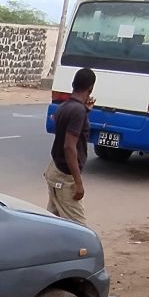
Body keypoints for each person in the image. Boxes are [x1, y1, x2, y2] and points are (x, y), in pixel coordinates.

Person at [44, 68, 96, 226]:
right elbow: (69, 147)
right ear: (91, 88)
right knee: (80, 230)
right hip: (64, 177)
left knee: (53, 223)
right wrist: (78, 182)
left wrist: (85, 110)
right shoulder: (78, 111)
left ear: (73, 84)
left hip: (55, 171)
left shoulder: (65, 107)